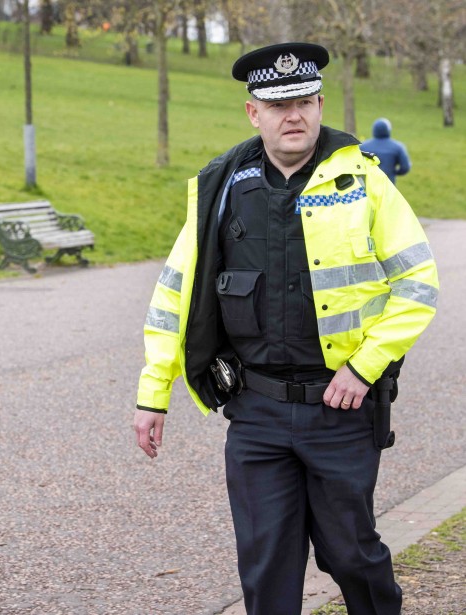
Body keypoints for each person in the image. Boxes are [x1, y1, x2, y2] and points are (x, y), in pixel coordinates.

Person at [133, 43, 438, 615]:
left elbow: (418, 286)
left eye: (302, 101)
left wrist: (363, 367)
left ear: (320, 104)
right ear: (254, 113)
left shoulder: (365, 183)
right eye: (277, 105)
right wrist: (153, 394)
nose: (291, 115)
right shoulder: (221, 189)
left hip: (341, 409)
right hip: (256, 412)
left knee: (350, 555)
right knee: (267, 565)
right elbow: (172, 296)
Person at [362, 117, 412, 183]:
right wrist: (394, 172)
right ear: (388, 130)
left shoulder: (363, 146)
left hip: (368, 185)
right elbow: (405, 167)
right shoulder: (397, 147)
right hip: (388, 185)